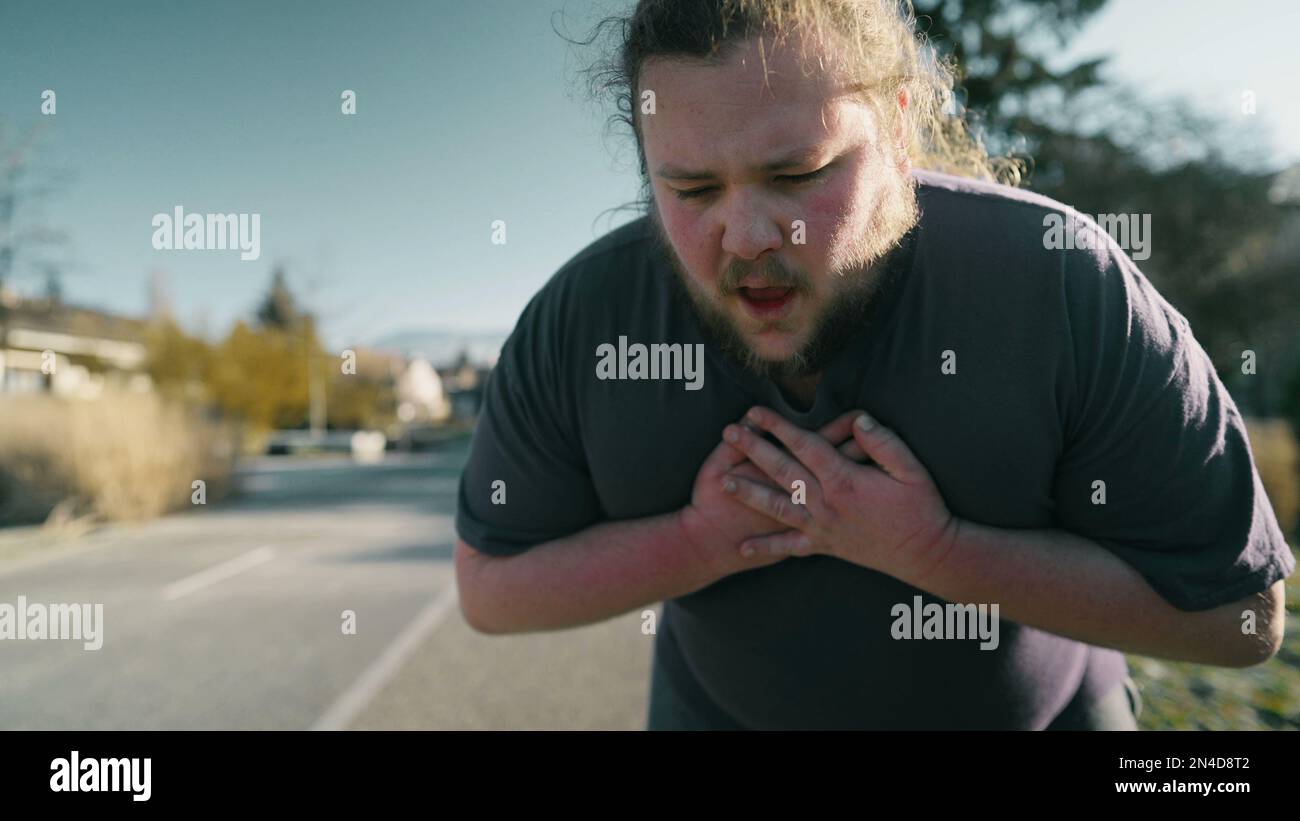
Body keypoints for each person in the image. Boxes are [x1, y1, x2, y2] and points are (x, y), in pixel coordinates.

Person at [453, 0, 1294, 730]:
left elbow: (1242, 616)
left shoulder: (1063, 280)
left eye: (799, 172)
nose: (746, 238)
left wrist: (938, 551)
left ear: (896, 128)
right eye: (692, 190)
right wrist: (701, 540)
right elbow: (488, 590)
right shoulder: (585, 320)